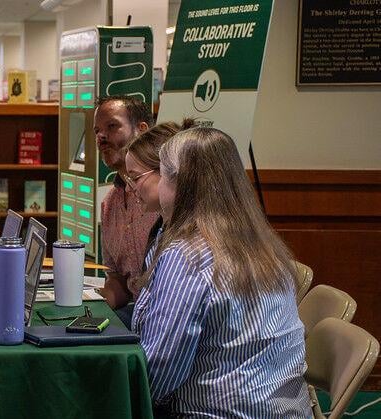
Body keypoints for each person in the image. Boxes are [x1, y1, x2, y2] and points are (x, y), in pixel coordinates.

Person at [132, 127, 309, 417]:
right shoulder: (266, 245)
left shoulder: (186, 255)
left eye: (162, 176)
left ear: (182, 185)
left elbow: (159, 370)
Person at [115, 118, 196, 327]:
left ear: (167, 173)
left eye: (135, 177)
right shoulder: (162, 228)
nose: (131, 188)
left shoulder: (183, 252)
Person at [92, 95, 157, 311]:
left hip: (167, 316)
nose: (101, 137)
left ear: (142, 129)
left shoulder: (164, 198)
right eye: (97, 131)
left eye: (112, 126)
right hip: (137, 312)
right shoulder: (110, 204)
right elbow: (119, 280)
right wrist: (90, 309)